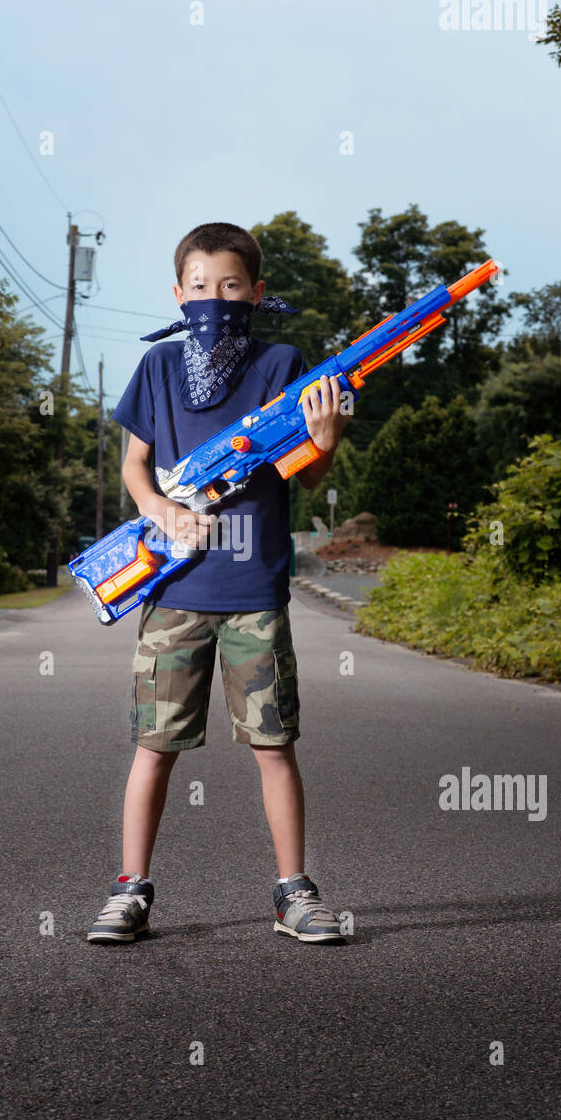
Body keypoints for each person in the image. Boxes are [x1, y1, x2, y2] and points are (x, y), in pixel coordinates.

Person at [88, 222, 350, 944]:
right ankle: (129, 890)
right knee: (154, 746)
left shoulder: (283, 366)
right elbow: (134, 466)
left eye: (231, 286)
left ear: (258, 293)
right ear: (178, 293)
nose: (215, 298)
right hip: (172, 591)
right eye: (200, 286)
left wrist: (323, 444)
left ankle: (293, 892)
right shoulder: (160, 369)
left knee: (274, 746)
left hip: (253, 590)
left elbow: (303, 470)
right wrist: (159, 510)